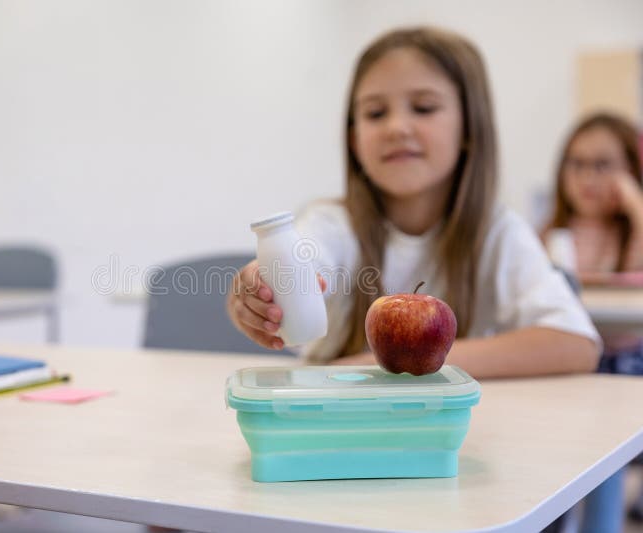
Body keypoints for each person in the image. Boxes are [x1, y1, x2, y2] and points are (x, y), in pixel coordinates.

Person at [227, 25, 601, 380]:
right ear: (355, 140)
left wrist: (383, 364)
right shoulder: (331, 223)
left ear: (470, 128)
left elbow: (576, 343)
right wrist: (256, 292)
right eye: (375, 113)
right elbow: (302, 264)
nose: (397, 128)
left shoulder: (496, 232)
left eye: (423, 108)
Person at [543, 112, 643, 529]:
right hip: (570, 363)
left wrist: (636, 209)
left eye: (604, 165)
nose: (587, 176)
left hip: (627, 363)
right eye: (577, 163)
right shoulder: (553, 234)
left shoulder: (630, 231)